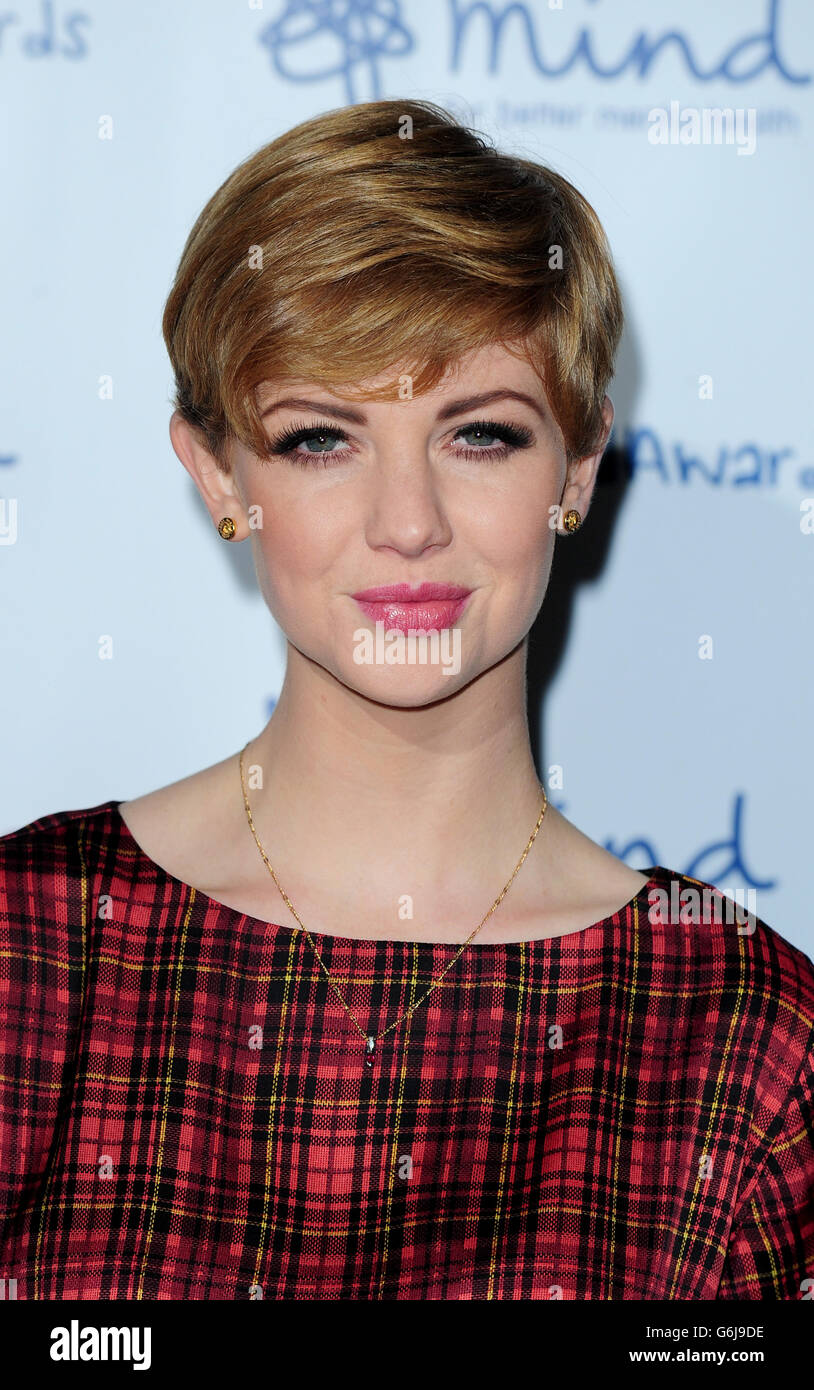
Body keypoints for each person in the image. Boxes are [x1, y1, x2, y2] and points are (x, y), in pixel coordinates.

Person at [1, 99, 812, 1301]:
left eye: (479, 435)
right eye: (321, 439)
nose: (408, 523)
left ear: (577, 469)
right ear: (219, 474)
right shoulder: (29, 948)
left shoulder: (742, 1039)